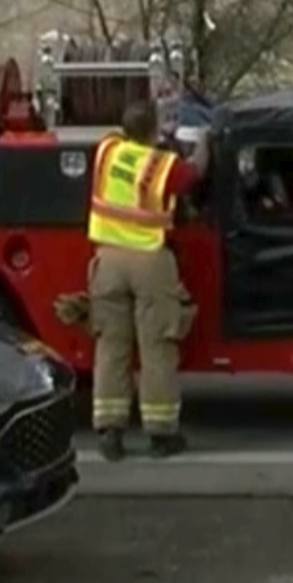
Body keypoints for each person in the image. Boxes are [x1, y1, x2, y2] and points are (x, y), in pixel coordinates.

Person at [76, 99, 203, 460]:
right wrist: (203, 143)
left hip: (107, 261)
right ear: (155, 130)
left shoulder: (107, 151)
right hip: (150, 262)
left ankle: (109, 433)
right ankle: (161, 435)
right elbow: (194, 174)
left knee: (111, 347)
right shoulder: (163, 165)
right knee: (157, 347)